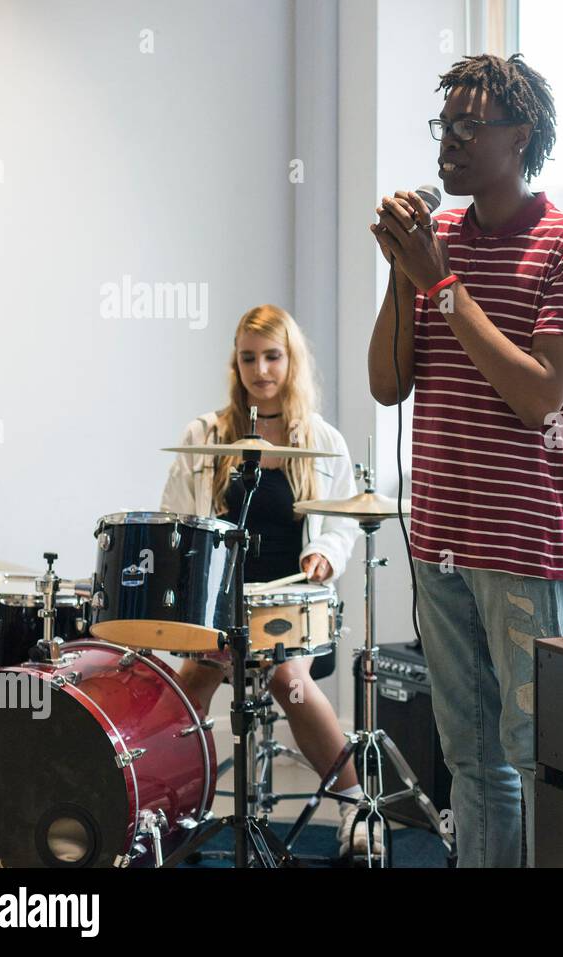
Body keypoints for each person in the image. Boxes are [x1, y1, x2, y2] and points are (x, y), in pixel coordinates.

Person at [367, 53, 563, 866]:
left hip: (524, 545)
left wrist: (441, 287)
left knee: (534, 753)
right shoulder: (434, 241)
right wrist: (406, 278)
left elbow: (540, 397)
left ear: (524, 136)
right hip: (440, 538)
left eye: (472, 125)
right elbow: (386, 383)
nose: (452, 140)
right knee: (471, 756)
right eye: (446, 125)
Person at [161, 304, 371, 856]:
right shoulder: (206, 434)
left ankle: (354, 808)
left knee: (288, 681)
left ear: (291, 361)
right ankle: (176, 811)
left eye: (272, 356)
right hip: (220, 603)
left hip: (290, 599)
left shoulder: (322, 440)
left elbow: (343, 523)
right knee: (188, 687)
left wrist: (325, 553)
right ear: (237, 364)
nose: (261, 369)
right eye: (249, 358)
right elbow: (174, 521)